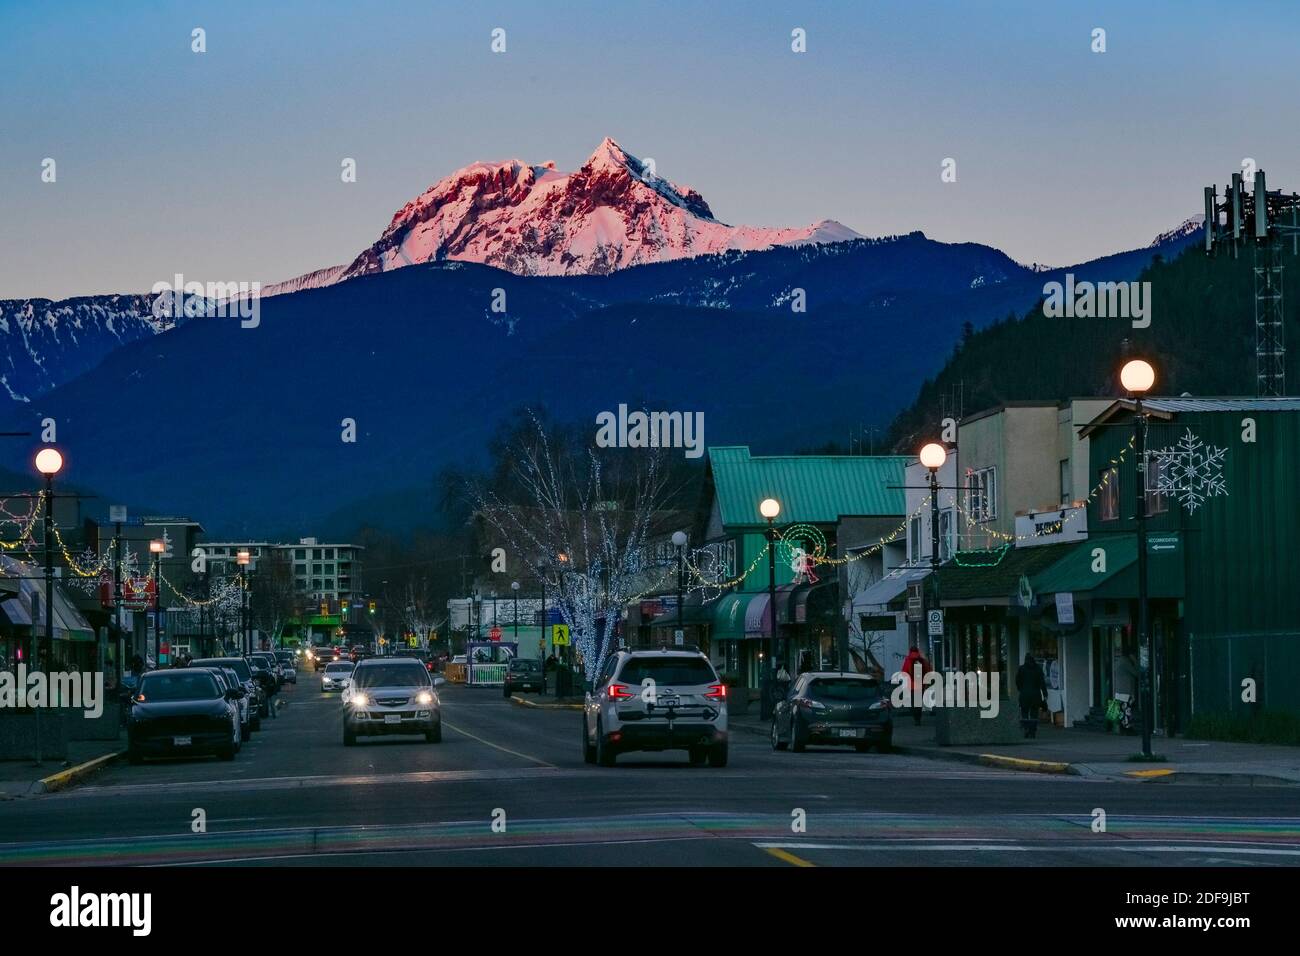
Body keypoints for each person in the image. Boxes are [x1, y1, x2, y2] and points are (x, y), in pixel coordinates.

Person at [1016, 652, 1048, 739]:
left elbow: (1018, 682)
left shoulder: (1021, 669)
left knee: (1024, 712)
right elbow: (1042, 683)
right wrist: (1045, 694)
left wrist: (1021, 689)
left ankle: (1026, 728)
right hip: (1035, 695)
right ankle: (1032, 730)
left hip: (1024, 694)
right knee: (1034, 713)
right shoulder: (1038, 669)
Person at [901, 644, 931, 725]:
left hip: (910, 685)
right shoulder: (922, 660)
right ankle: (918, 719)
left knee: (911, 703)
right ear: (917, 651)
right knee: (918, 703)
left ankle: (915, 717)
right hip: (920, 684)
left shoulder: (908, 659)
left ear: (910, 651)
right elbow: (929, 671)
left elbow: (904, 672)